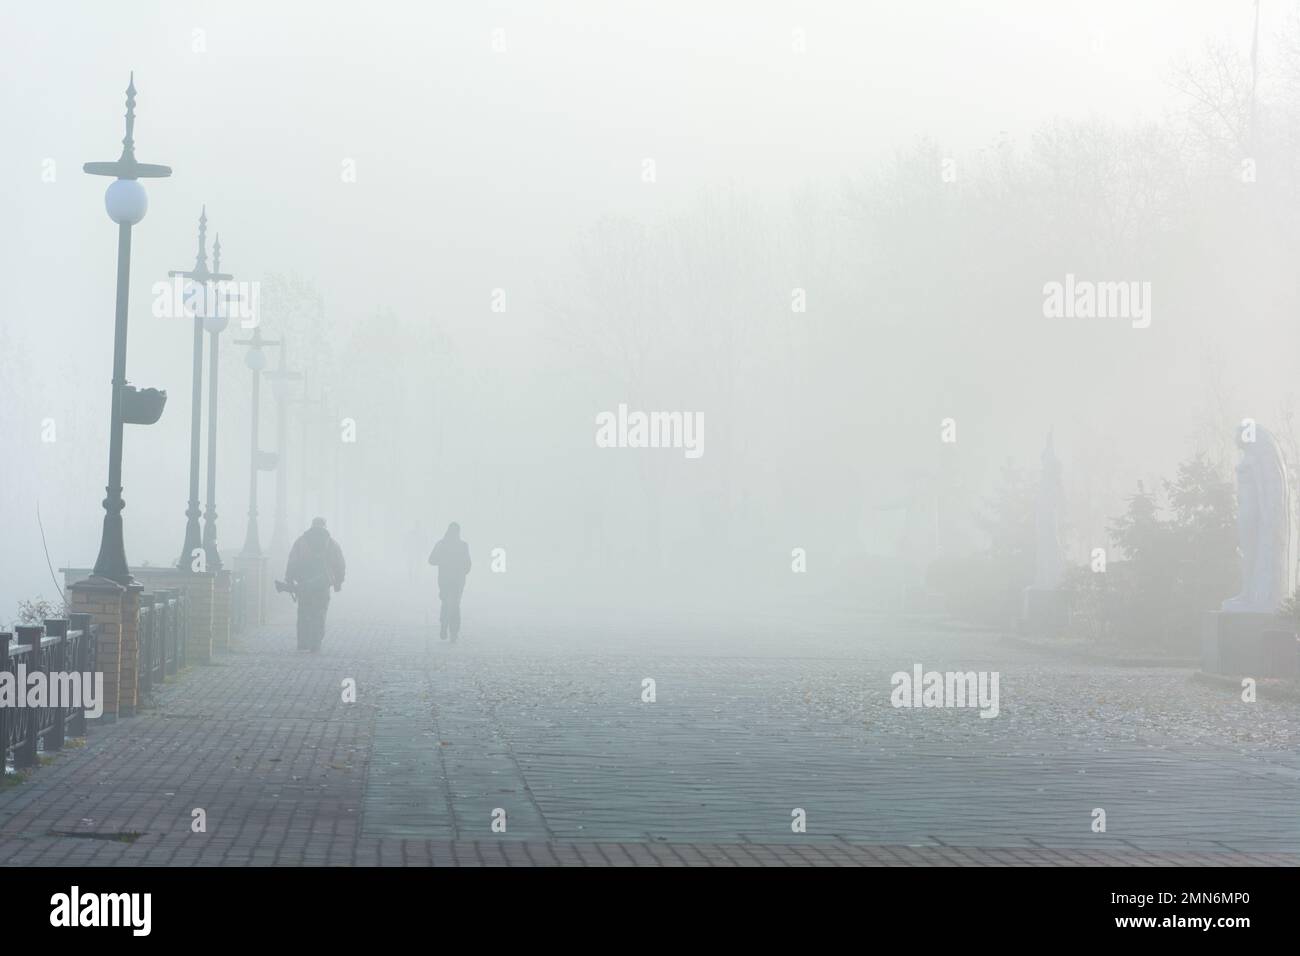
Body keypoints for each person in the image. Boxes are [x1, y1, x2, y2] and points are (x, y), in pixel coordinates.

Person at [284, 517, 346, 652]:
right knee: (319, 613)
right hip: (322, 586)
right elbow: (339, 564)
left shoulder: (301, 542)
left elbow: (293, 561)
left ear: (312, 525)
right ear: (325, 526)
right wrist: (338, 582)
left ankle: (303, 643)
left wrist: (289, 579)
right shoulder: (331, 543)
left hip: (304, 584)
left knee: (304, 613)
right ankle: (315, 643)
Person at [428, 522, 471, 641]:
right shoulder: (463, 545)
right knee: (456, 605)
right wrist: (462, 572)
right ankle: (454, 632)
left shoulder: (441, 544)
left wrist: (442, 561)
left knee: (446, 602)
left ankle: (444, 623)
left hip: (444, 580)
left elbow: (431, 560)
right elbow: (468, 564)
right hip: (458, 580)